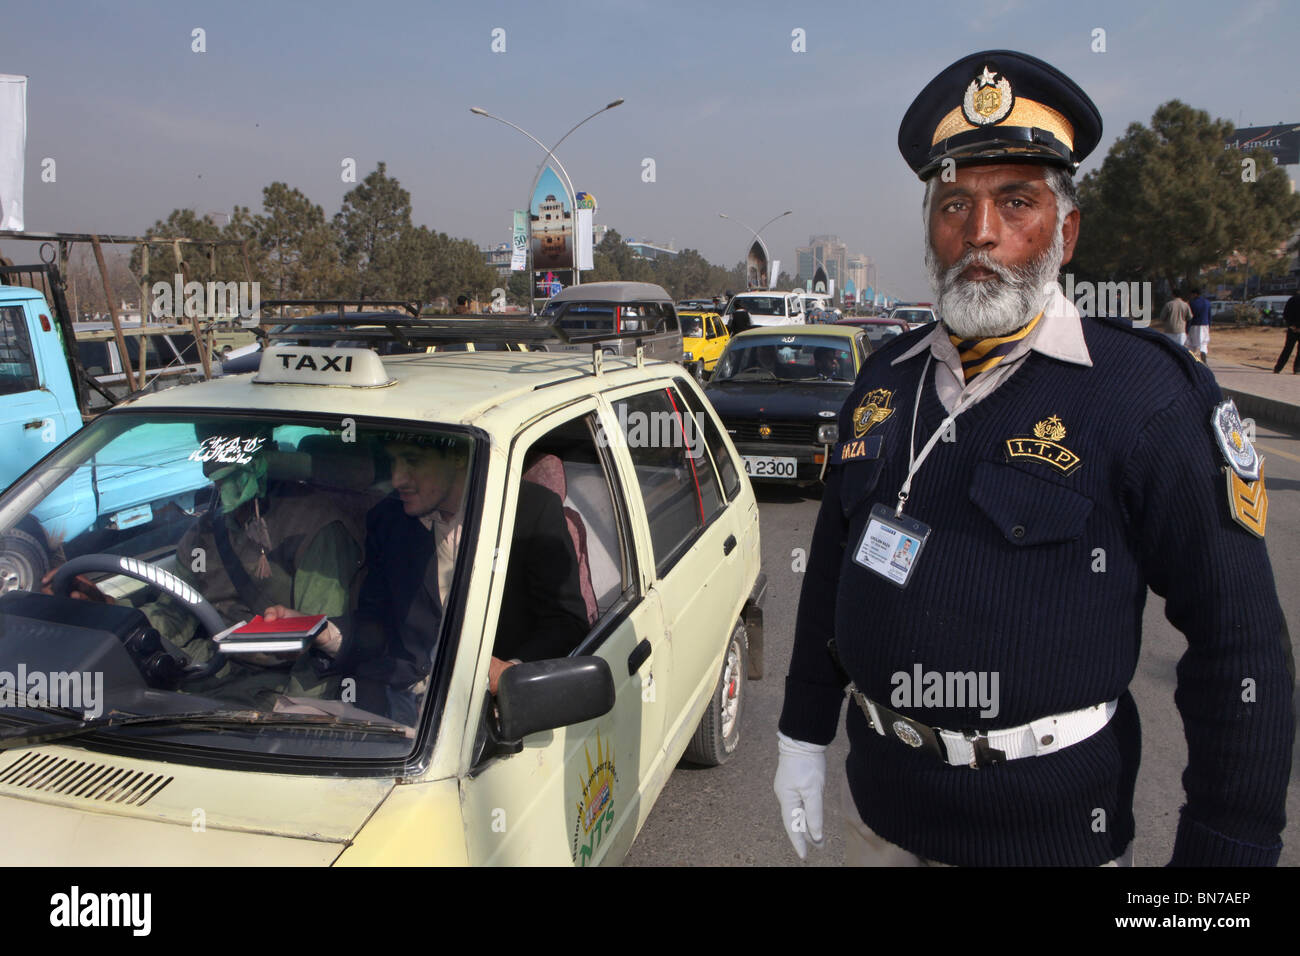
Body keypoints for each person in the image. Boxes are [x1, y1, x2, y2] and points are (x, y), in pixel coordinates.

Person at [774, 49, 1293, 867]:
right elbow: (835, 570)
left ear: (1067, 228)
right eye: (954, 204)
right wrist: (802, 735)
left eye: (1015, 201)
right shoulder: (883, 380)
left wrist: (1223, 867)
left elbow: (1241, 651)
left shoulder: (1147, 397)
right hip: (871, 821)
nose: (980, 232)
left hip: (1049, 842)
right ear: (930, 228)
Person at [46, 423, 364, 708]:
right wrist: (111, 608)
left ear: (260, 454)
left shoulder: (314, 527)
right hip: (209, 668)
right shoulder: (208, 531)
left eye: (227, 449)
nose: (214, 463)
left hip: (273, 686)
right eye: (209, 450)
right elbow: (175, 614)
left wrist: (294, 722)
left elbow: (320, 646)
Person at [320, 433, 587, 724]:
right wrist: (321, 632)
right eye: (392, 462)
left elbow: (566, 623)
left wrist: (508, 671)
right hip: (398, 706)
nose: (397, 479)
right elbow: (376, 623)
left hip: (491, 713)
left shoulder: (528, 511)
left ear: (459, 457)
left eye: (412, 461)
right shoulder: (388, 520)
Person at [1272, 291, 1300, 374]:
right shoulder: (1293, 299)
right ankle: (1297, 369)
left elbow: (1286, 314)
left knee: (1287, 349)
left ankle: (1278, 368)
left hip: (1292, 328)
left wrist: (1291, 325)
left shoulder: (1292, 299)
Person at [1187, 288, 1211, 362]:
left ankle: (1192, 357)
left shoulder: (1192, 303)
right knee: (1204, 341)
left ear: (1195, 294)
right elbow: (1209, 315)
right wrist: (1209, 325)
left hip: (1194, 324)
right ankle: (1203, 351)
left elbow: (1190, 316)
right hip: (1205, 324)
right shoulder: (1207, 302)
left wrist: (1187, 327)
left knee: (1192, 343)